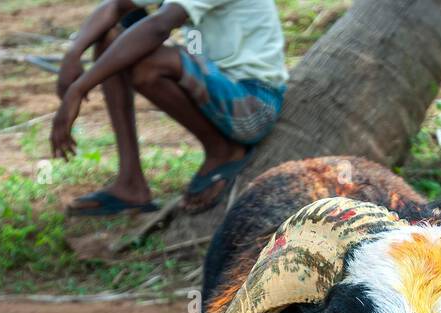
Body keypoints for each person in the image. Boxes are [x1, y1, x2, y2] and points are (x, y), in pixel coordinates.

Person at [52, 0, 287, 216]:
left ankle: (222, 150)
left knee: (146, 63)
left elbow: (159, 26)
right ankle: (130, 182)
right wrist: (73, 53)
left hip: (254, 104)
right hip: (221, 85)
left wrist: (78, 89)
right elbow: (114, 6)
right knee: (110, 39)